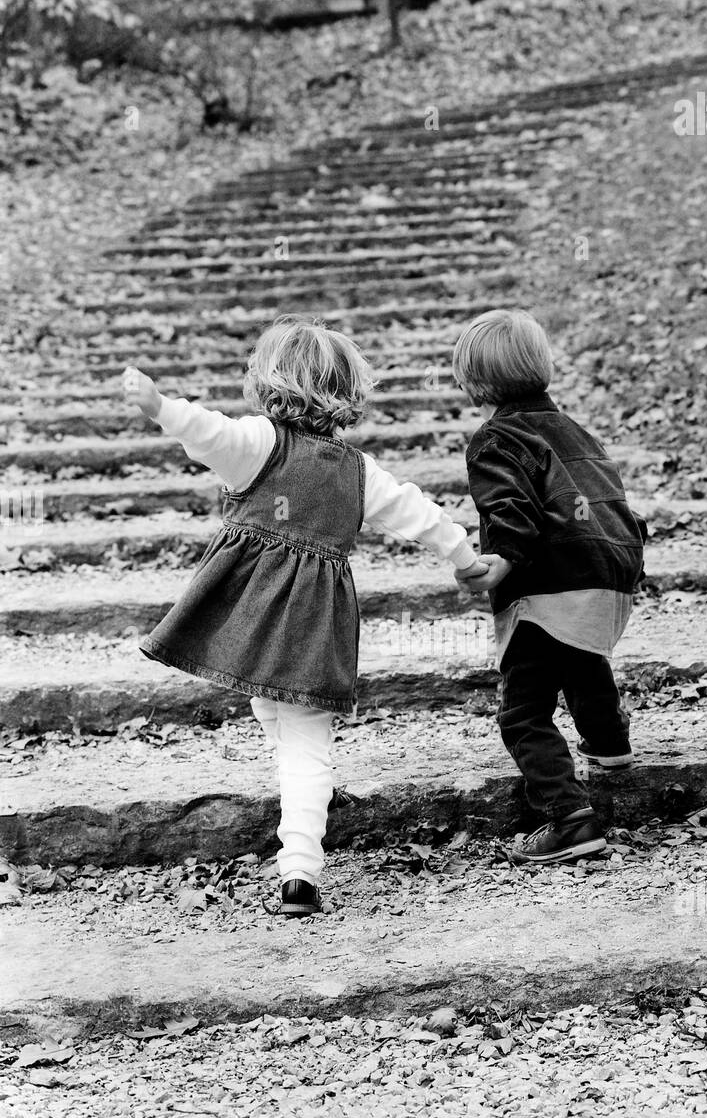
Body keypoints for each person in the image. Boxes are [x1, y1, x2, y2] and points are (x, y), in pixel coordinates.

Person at [122, 314, 484, 916]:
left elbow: (213, 434)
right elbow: (416, 511)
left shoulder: (262, 442)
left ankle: (301, 840)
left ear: (268, 385)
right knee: (303, 738)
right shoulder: (358, 470)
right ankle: (299, 872)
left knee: (286, 728)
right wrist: (464, 558)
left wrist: (163, 406)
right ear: (345, 394)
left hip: (253, 615)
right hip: (316, 623)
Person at [452, 308, 646, 864]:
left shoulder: (496, 436)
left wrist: (499, 563)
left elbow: (511, 512)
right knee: (581, 659)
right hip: (612, 571)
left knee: (524, 710)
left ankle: (570, 817)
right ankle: (609, 746)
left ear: (475, 383)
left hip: (551, 583)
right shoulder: (576, 431)